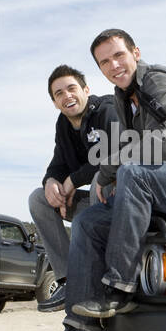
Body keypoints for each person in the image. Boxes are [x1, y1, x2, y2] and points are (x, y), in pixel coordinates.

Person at [35, 29, 166, 331]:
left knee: (132, 173)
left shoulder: (159, 83)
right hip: (161, 183)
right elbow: (127, 146)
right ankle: (81, 326)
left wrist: (106, 174)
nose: (113, 65)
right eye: (104, 62)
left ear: (135, 53)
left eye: (118, 55)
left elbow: (162, 146)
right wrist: (104, 178)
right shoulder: (125, 97)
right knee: (89, 219)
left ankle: (118, 288)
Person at [28, 65, 115, 311]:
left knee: (102, 177)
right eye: (58, 94)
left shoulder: (107, 110)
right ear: (55, 103)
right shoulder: (63, 125)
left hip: (121, 201)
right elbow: (58, 163)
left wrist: (73, 180)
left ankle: (103, 277)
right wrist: (51, 182)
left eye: (71, 88)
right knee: (38, 199)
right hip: (96, 205)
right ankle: (70, 281)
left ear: (86, 90)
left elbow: (112, 155)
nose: (66, 96)